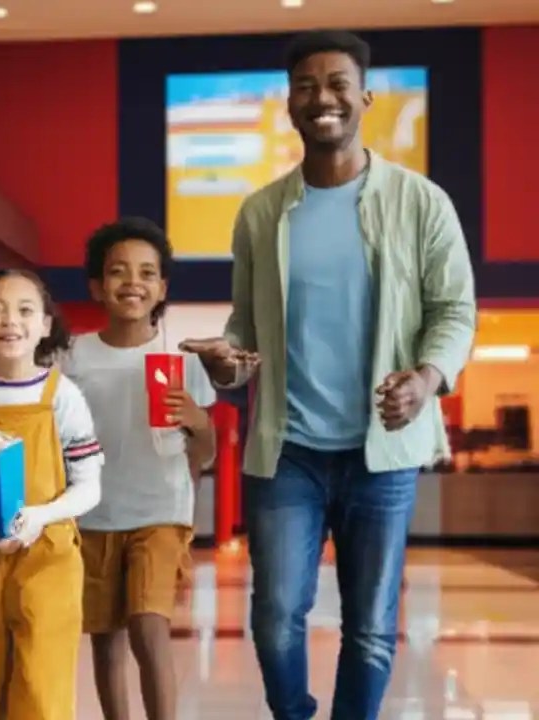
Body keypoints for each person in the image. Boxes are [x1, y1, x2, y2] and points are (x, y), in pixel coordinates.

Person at [180, 30, 476, 720]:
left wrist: (428, 379)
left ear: (366, 97)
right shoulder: (260, 213)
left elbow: (455, 311)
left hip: (383, 453)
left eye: (338, 83)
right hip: (289, 451)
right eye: (306, 86)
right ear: (290, 105)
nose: (323, 98)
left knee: (370, 623)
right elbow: (244, 333)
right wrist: (228, 362)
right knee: (275, 614)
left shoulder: (420, 202)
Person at [0, 269, 104, 720]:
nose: (10, 321)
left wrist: (41, 516)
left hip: (48, 557)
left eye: (25, 310)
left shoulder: (62, 396)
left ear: (46, 325)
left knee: (41, 689)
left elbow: (90, 486)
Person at [63, 218, 216, 720]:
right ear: (96, 285)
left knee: (149, 628)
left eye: (148, 273)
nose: (133, 282)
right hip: (92, 517)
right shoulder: (72, 358)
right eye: (118, 271)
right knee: (105, 639)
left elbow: (206, 454)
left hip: (160, 514)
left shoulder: (183, 360)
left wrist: (197, 422)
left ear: (162, 288)